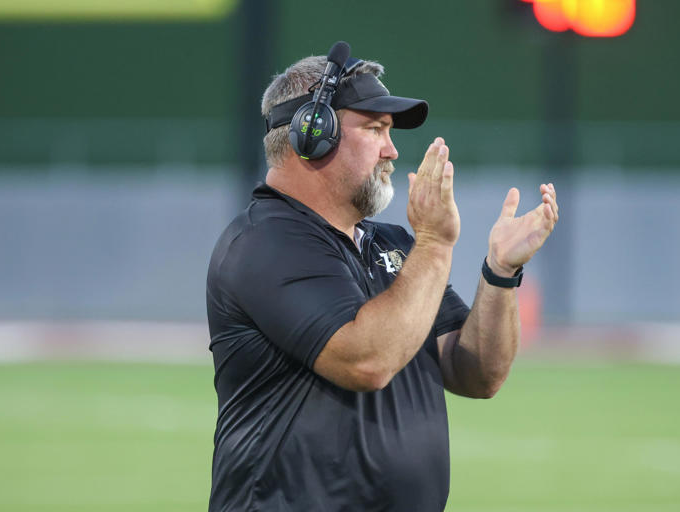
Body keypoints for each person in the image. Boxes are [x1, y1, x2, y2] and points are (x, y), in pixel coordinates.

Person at [206, 52, 559, 512]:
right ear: (312, 133)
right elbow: (367, 362)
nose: (391, 151)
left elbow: (475, 374)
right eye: (375, 129)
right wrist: (434, 244)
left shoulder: (390, 242)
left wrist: (500, 272)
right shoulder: (264, 242)